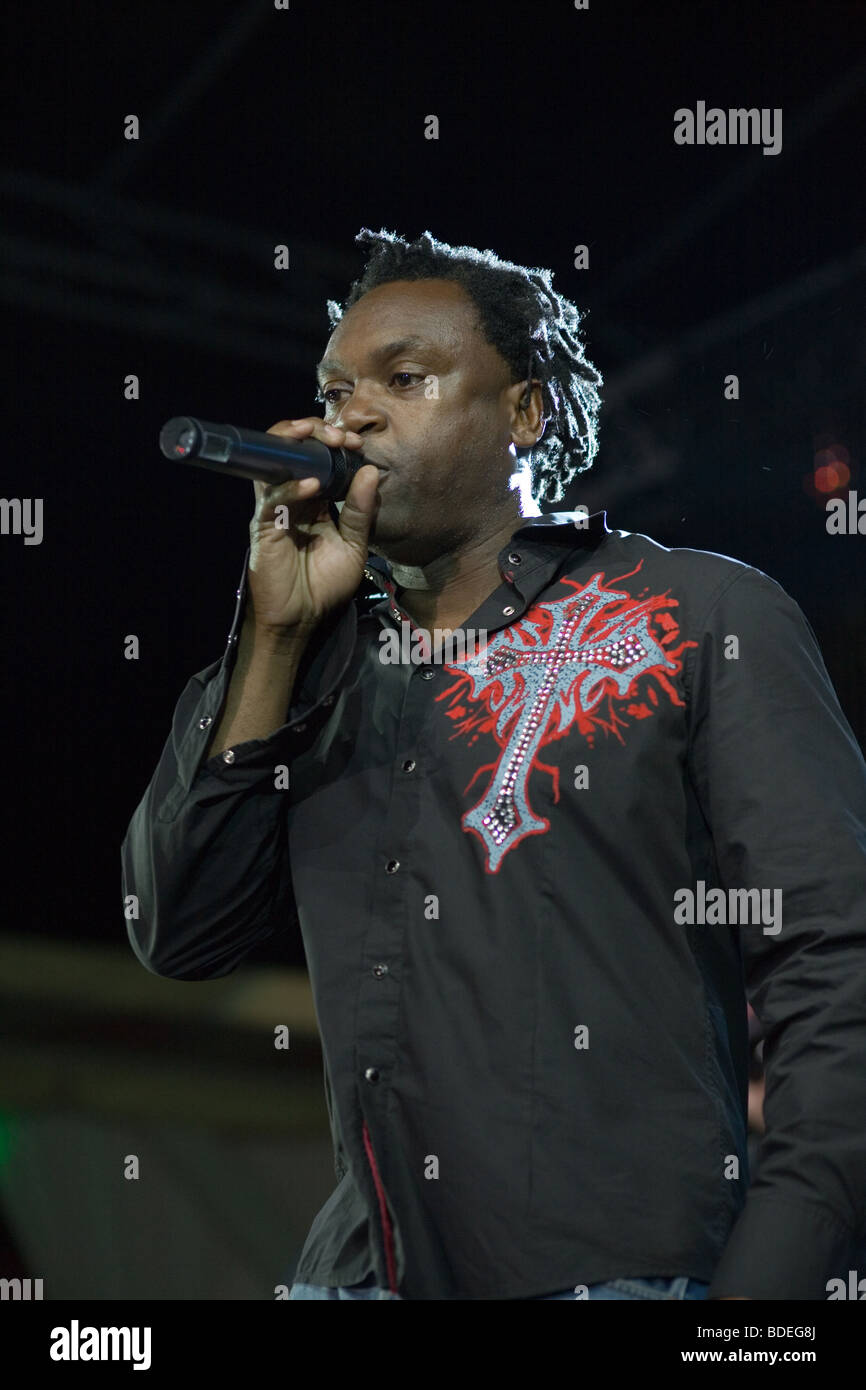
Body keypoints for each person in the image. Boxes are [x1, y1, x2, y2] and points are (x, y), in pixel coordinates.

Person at [121, 228, 866, 1301]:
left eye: (405, 378)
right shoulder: (314, 662)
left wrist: (758, 1302)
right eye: (336, 391)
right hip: (355, 1280)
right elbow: (177, 931)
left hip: (622, 1279)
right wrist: (276, 635)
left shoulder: (693, 614)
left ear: (524, 412)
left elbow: (835, 970)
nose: (354, 416)